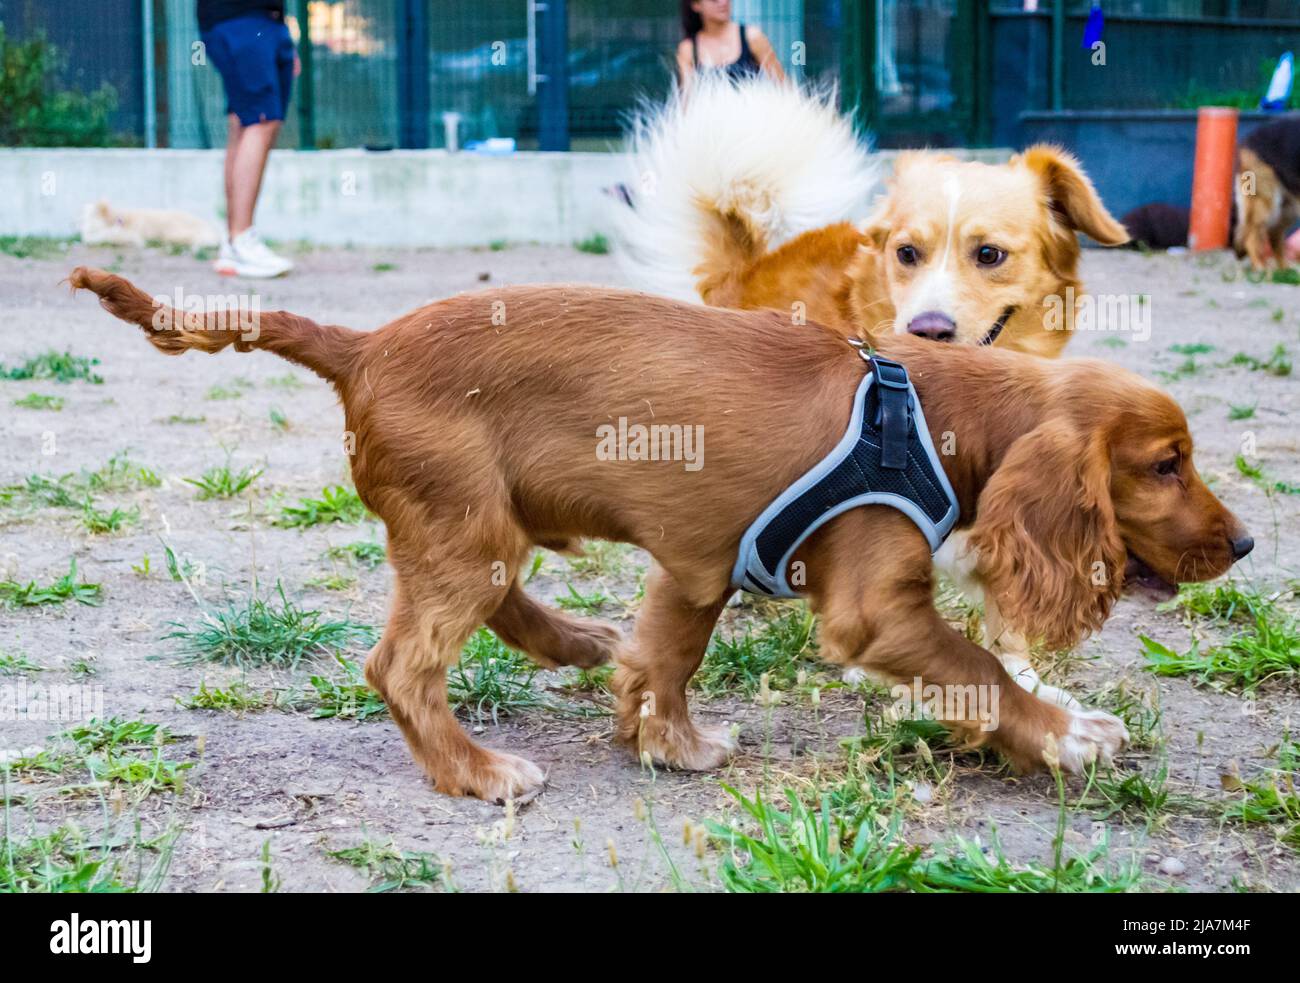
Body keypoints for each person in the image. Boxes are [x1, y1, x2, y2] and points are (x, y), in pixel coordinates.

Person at [198, 0, 297, 277]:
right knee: (261, 119)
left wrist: (277, 29)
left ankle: (233, 245)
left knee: (244, 121)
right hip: (239, 19)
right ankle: (242, 238)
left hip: (267, 21)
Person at [676, 0, 785, 89]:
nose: (723, 2)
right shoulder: (688, 49)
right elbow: (687, 99)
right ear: (696, 5)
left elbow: (784, 86)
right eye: (714, 0)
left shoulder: (752, 37)